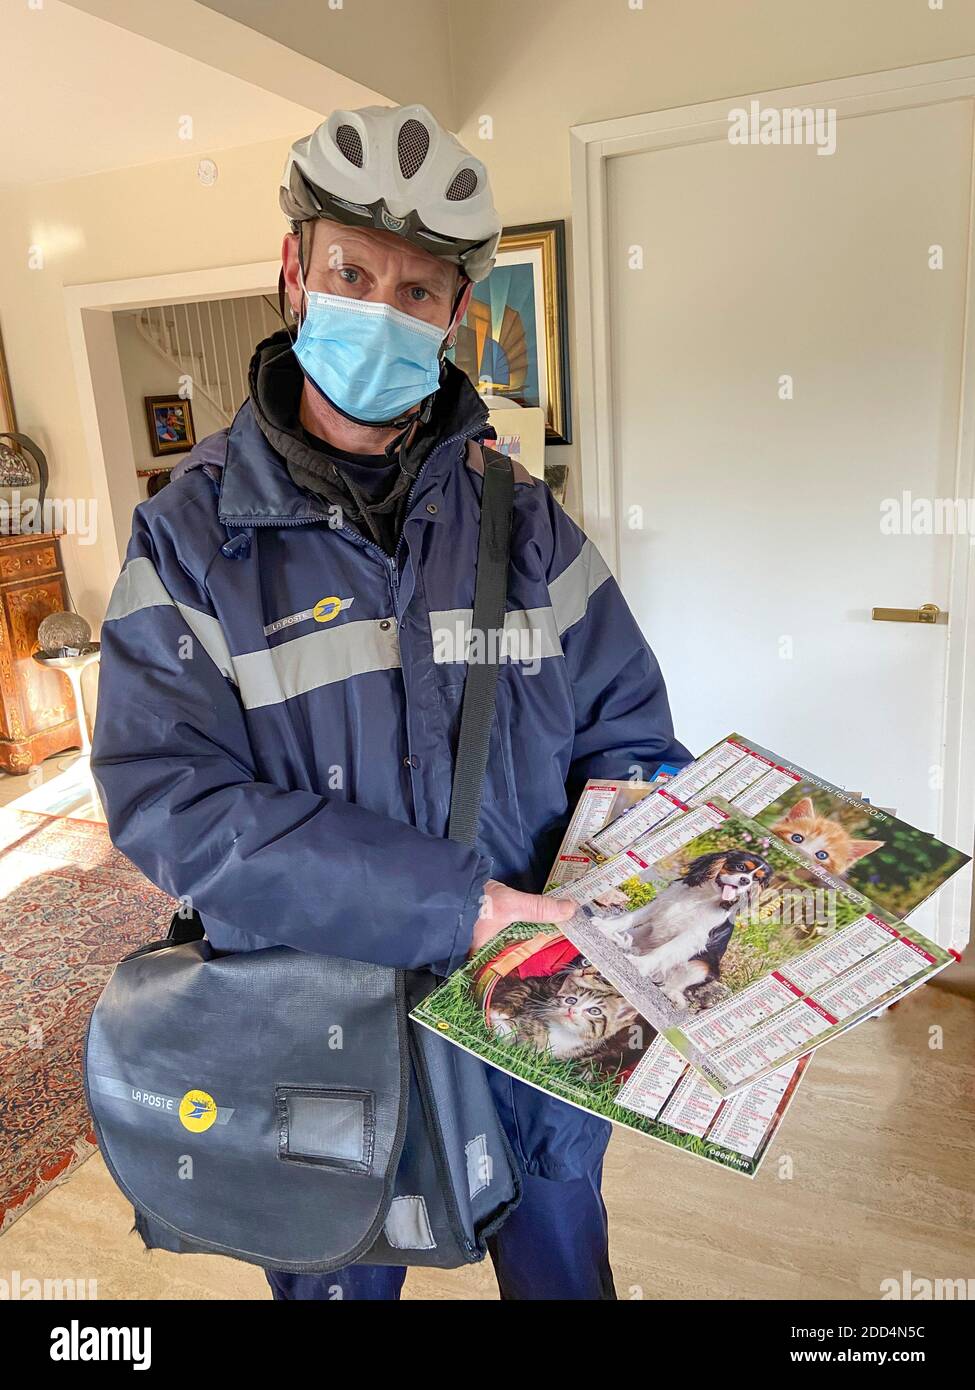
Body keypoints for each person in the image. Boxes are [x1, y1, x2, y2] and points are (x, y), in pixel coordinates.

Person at [90, 103, 689, 1301]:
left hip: (539, 1017)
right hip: (316, 1037)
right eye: (351, 272)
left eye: (418, 291)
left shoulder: (524, 523)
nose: (382, 307)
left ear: (457, 314)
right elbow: (171, 802)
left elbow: (631, 734)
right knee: (333, 1287)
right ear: (293, 276)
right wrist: (458, 906)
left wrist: (678, 867)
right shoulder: (192, 540)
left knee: (568, 1274)